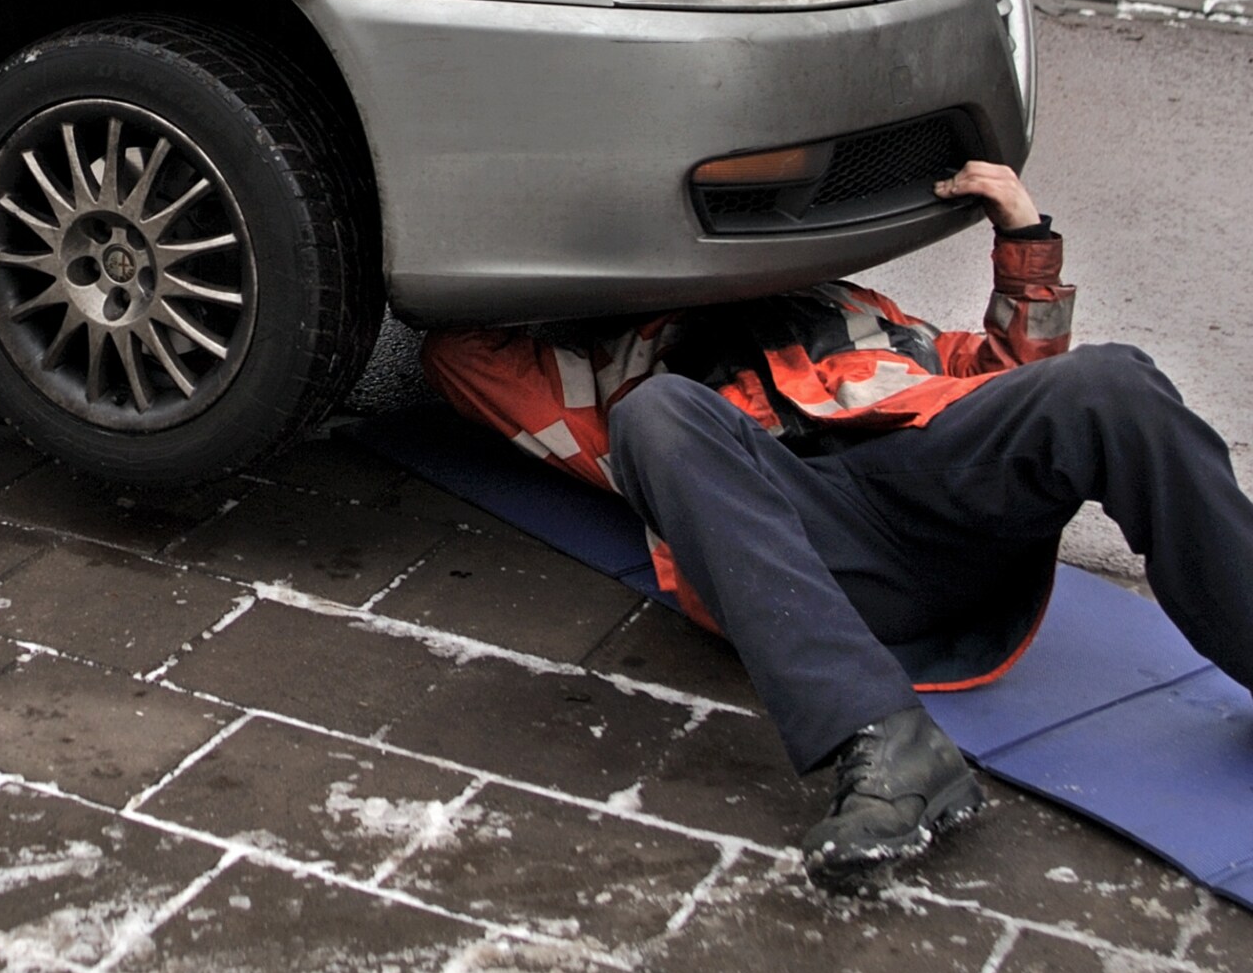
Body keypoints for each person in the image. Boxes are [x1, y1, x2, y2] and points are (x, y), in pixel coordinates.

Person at [421, 162, 1253, 893]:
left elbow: (1018, 383)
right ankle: (885, 742)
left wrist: (1024, 238)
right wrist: (603, 273)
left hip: (935, 492)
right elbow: (460, 353)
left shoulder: (863, 309)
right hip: (811, 540)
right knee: (658, 414)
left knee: (1113, 382)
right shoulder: (612, 364)